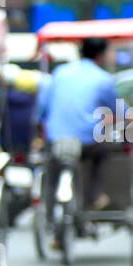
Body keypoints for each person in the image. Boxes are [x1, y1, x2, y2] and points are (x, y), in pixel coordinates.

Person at [35, 36, 118, 228]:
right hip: (88, 141)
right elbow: (118, 111)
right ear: (101, 54)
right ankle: (95, 195)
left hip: (58, 139)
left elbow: (42, 109)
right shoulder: (103, 79)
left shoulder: (59, 73)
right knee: (105, 150)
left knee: (52, 174)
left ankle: (51, 222)